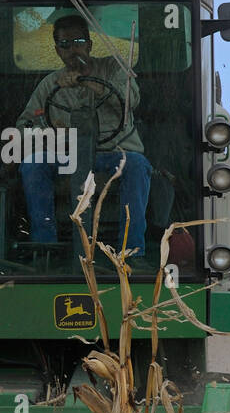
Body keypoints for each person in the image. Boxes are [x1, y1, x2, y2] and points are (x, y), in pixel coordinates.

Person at [15, 14, 152, 253]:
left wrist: (88, 82)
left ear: (89, 44)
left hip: (114, 155)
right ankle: (45, 247)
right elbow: (24, 126)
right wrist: (49, 133)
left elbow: (132, 100)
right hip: (67, 157)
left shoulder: (114, 66)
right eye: (65, 45)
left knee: (138, 164)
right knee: (33, 164)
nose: (72, 50)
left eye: (78, 41)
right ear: (57, 50)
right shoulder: (50, 84)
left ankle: (131, 252)